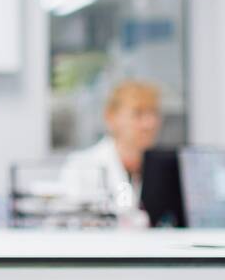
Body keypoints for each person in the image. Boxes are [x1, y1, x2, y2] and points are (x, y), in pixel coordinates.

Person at [62, 79, 163, 221]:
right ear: (110, 117)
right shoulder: (81, 167)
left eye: (154, 113)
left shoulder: (164, 170)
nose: (149, 123)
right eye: (138, 113)